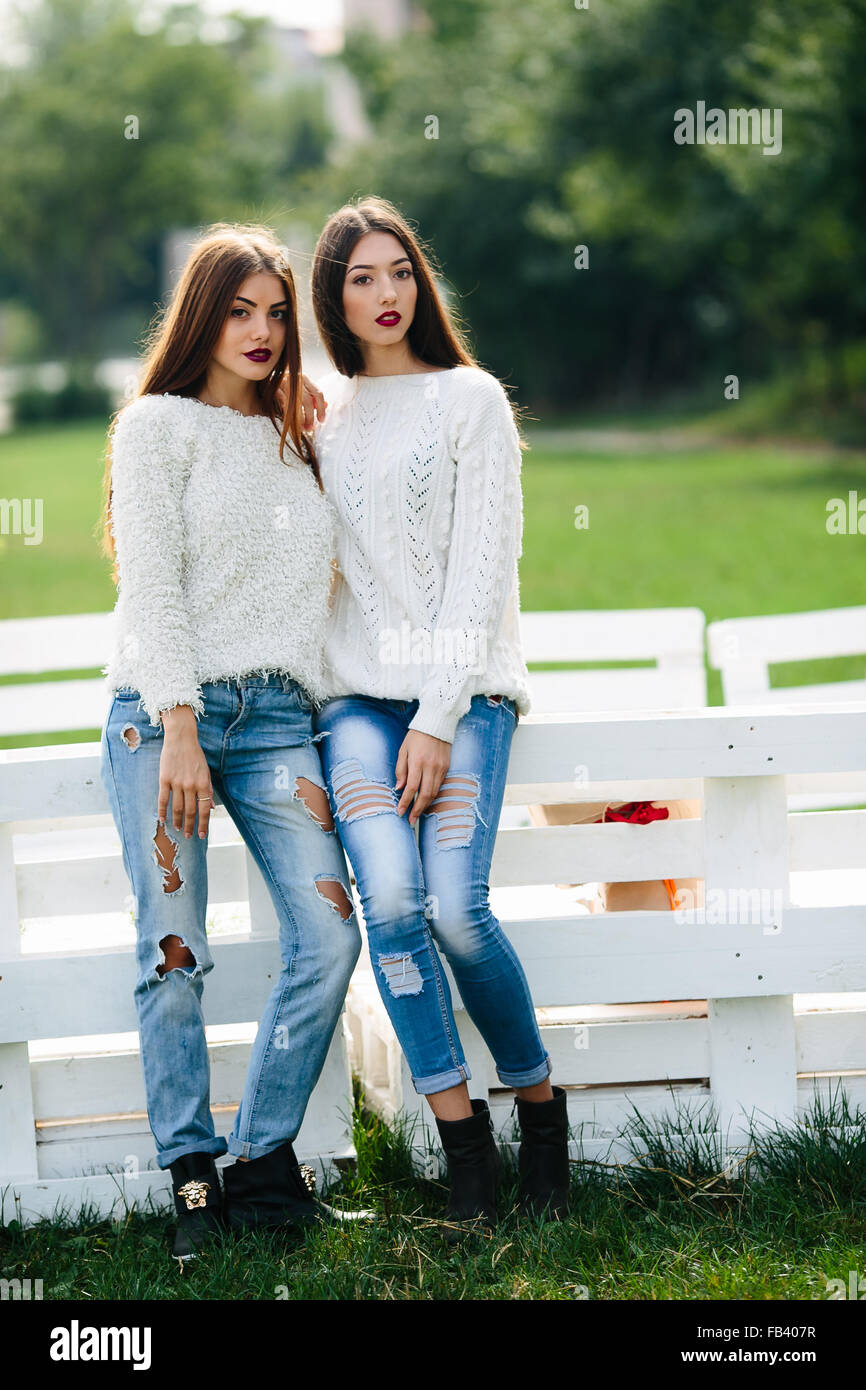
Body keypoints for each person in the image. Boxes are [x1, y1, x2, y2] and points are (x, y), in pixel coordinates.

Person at [99, 223, 364, 1261]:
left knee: (329, 933)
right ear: (201, 316)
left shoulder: (302, 429)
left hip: (281, 721)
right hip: (167, 715)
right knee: (175, 953)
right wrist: (176, 728)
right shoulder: (154, 427)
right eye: (238, 309)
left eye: (274, 313)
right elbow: (151, 583)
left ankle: (261, 1161)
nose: (259, 331)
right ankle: (192, 1180)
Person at [308, 197, 570, 1231]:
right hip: (353, 704)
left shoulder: (472, 401)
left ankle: (538, 1105)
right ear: (333, 297)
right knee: (393, 904)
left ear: (421, 281)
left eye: (398, 272)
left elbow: (478, 571)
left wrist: (435, 712)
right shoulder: (321, 417)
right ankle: (464, 1150)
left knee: (456, 908)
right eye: (359, 279)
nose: (384, 295)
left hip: (458, 695)